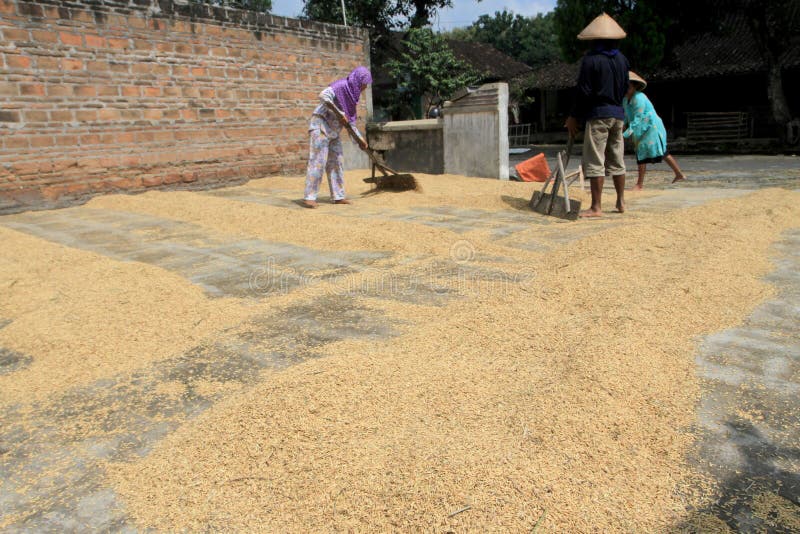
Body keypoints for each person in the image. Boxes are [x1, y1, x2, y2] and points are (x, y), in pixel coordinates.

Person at [564, 13, 629, 218]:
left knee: (595, 160)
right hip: (618, 115)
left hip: (599, 114)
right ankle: (620, 202)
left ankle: (596, 207)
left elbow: (584, 91)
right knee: (617, 159)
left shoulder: (591, 60)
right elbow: (626, 87)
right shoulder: (622, 59)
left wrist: (574, 116)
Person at [303, 66, 372, 209]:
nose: (365, 87)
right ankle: (309, 197)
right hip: (321, 125)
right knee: (318, 160)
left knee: (337, 161)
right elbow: (323, 96)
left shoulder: (353, 97)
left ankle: (338, 196)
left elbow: (350, 123)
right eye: (364, 83)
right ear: (357, 80)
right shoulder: (340, 86)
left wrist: (360, 140)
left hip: (334, 130)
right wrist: (340, 113)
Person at [623, 71, 686, 190]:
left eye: (628, 87)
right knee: (641, 153)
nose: (626, 89)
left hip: (650, 126)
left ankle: (640, 184)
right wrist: (623, 127)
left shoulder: (639, 97)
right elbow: (625, 116)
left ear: (634, 86)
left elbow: (639, 117)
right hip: (639, 128)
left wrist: (626, 134)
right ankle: (678, 174)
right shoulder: (625, 100)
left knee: (660, 151)